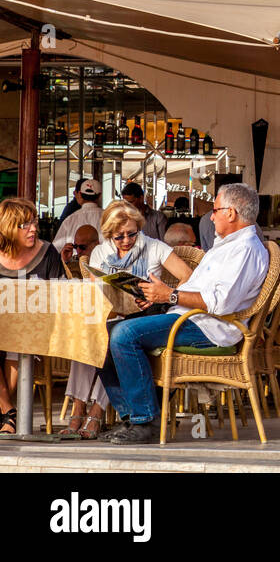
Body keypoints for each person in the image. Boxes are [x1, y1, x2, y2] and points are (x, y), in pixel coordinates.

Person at [97, 182, 269, 444]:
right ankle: (132, 418)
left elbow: (219, 303)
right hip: (190, 317)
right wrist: (160, 298)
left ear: (231, 213)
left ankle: (145, 421)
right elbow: (195, 288)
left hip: (211, 327)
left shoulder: (244, 250)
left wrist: (170, 295)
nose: (210, 216)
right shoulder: (227, 245)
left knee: (123, 334)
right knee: (101, 335)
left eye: (215, 210)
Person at [64, 202, 194, 441]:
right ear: (108, 234)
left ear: (139, 228)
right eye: (119, 236)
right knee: (96, 340)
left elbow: (189, 277)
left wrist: (164, 292)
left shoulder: (154, 247)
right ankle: (129, 417)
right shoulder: (101, 252)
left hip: (149, 313)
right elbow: (94, 290)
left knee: (114, 336)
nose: (126, 240)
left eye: (131, 233)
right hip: (114, 314)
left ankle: (142, 418)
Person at [0, 198, 64, 434]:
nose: (34, 228)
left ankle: (7, 415)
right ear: (8, 227)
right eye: (25, 225)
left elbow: (61, 294)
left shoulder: (48, 253)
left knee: (18, 337)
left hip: (37, 325)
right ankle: (9, 411)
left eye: (34, 222)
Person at [51, 178, 103, 251]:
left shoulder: (70, 219)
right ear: (99, 196)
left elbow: (55, 249)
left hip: (74, 261)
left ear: (80, 194)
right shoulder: (109, 217)